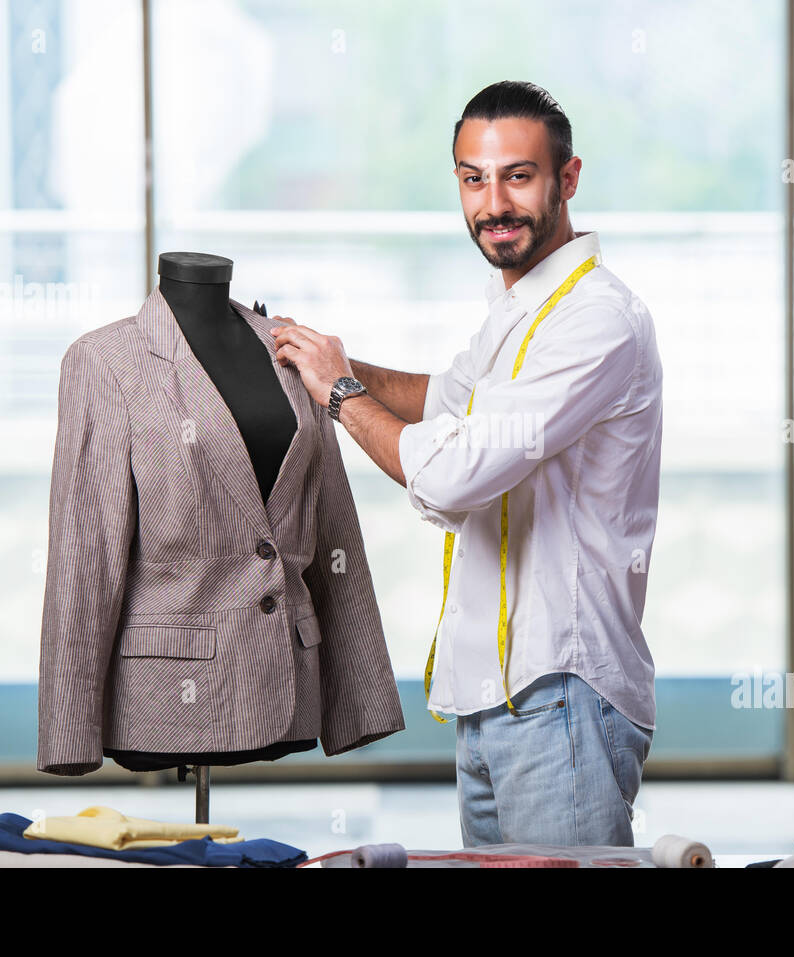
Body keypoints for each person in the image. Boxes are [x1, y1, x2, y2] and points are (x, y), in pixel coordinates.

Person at [270, 80, 662, 847]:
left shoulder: (597, 321)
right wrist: (322, 359)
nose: (494, 203)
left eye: (518, 175)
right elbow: (444, 399)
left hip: (561, 699)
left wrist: (341, 394)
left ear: (567, 179)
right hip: (493, 704)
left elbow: (453, 470)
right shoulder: (516, 313)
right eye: (473, 179)